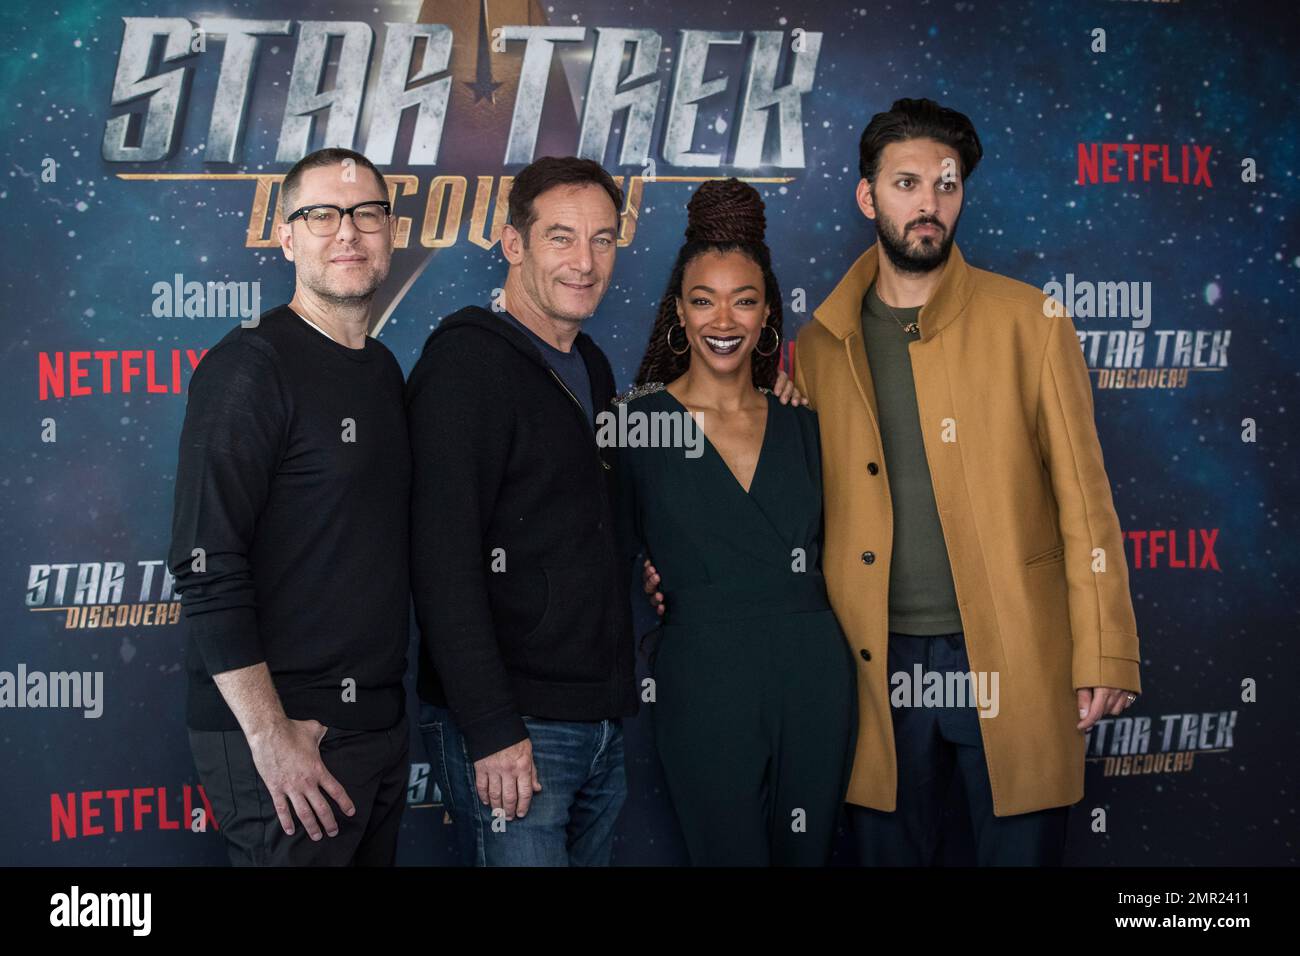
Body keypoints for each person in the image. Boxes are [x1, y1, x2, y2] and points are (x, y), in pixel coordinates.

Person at [793, 97, 1143, 865]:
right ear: (868, 196)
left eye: (946, 186)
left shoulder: (1032, 322)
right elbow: (791, 502)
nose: (928, 204)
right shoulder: (819, 345)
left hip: (1013, 650)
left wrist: (1108, 651)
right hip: (874, 659)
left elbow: (1087, 501)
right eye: (907, 184)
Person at [169, 147, 411, 866]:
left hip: (376, 730)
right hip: (287, 737)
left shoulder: (383, 367)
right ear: (286, 236)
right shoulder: (250, 367)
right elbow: (203, 562)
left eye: (367, 213)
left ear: (391, 234)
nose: (348, 233)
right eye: (322, 214)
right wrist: (270, 734)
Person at [618, 179, 856, 865]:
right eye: (704, 299)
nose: (724, 319)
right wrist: (652, 577)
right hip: (703, 679)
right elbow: (604, 554)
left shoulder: (806, 424)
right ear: (680, 315)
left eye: (743, 300)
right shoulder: (634, 424)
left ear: (765, 316)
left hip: (815, 675)